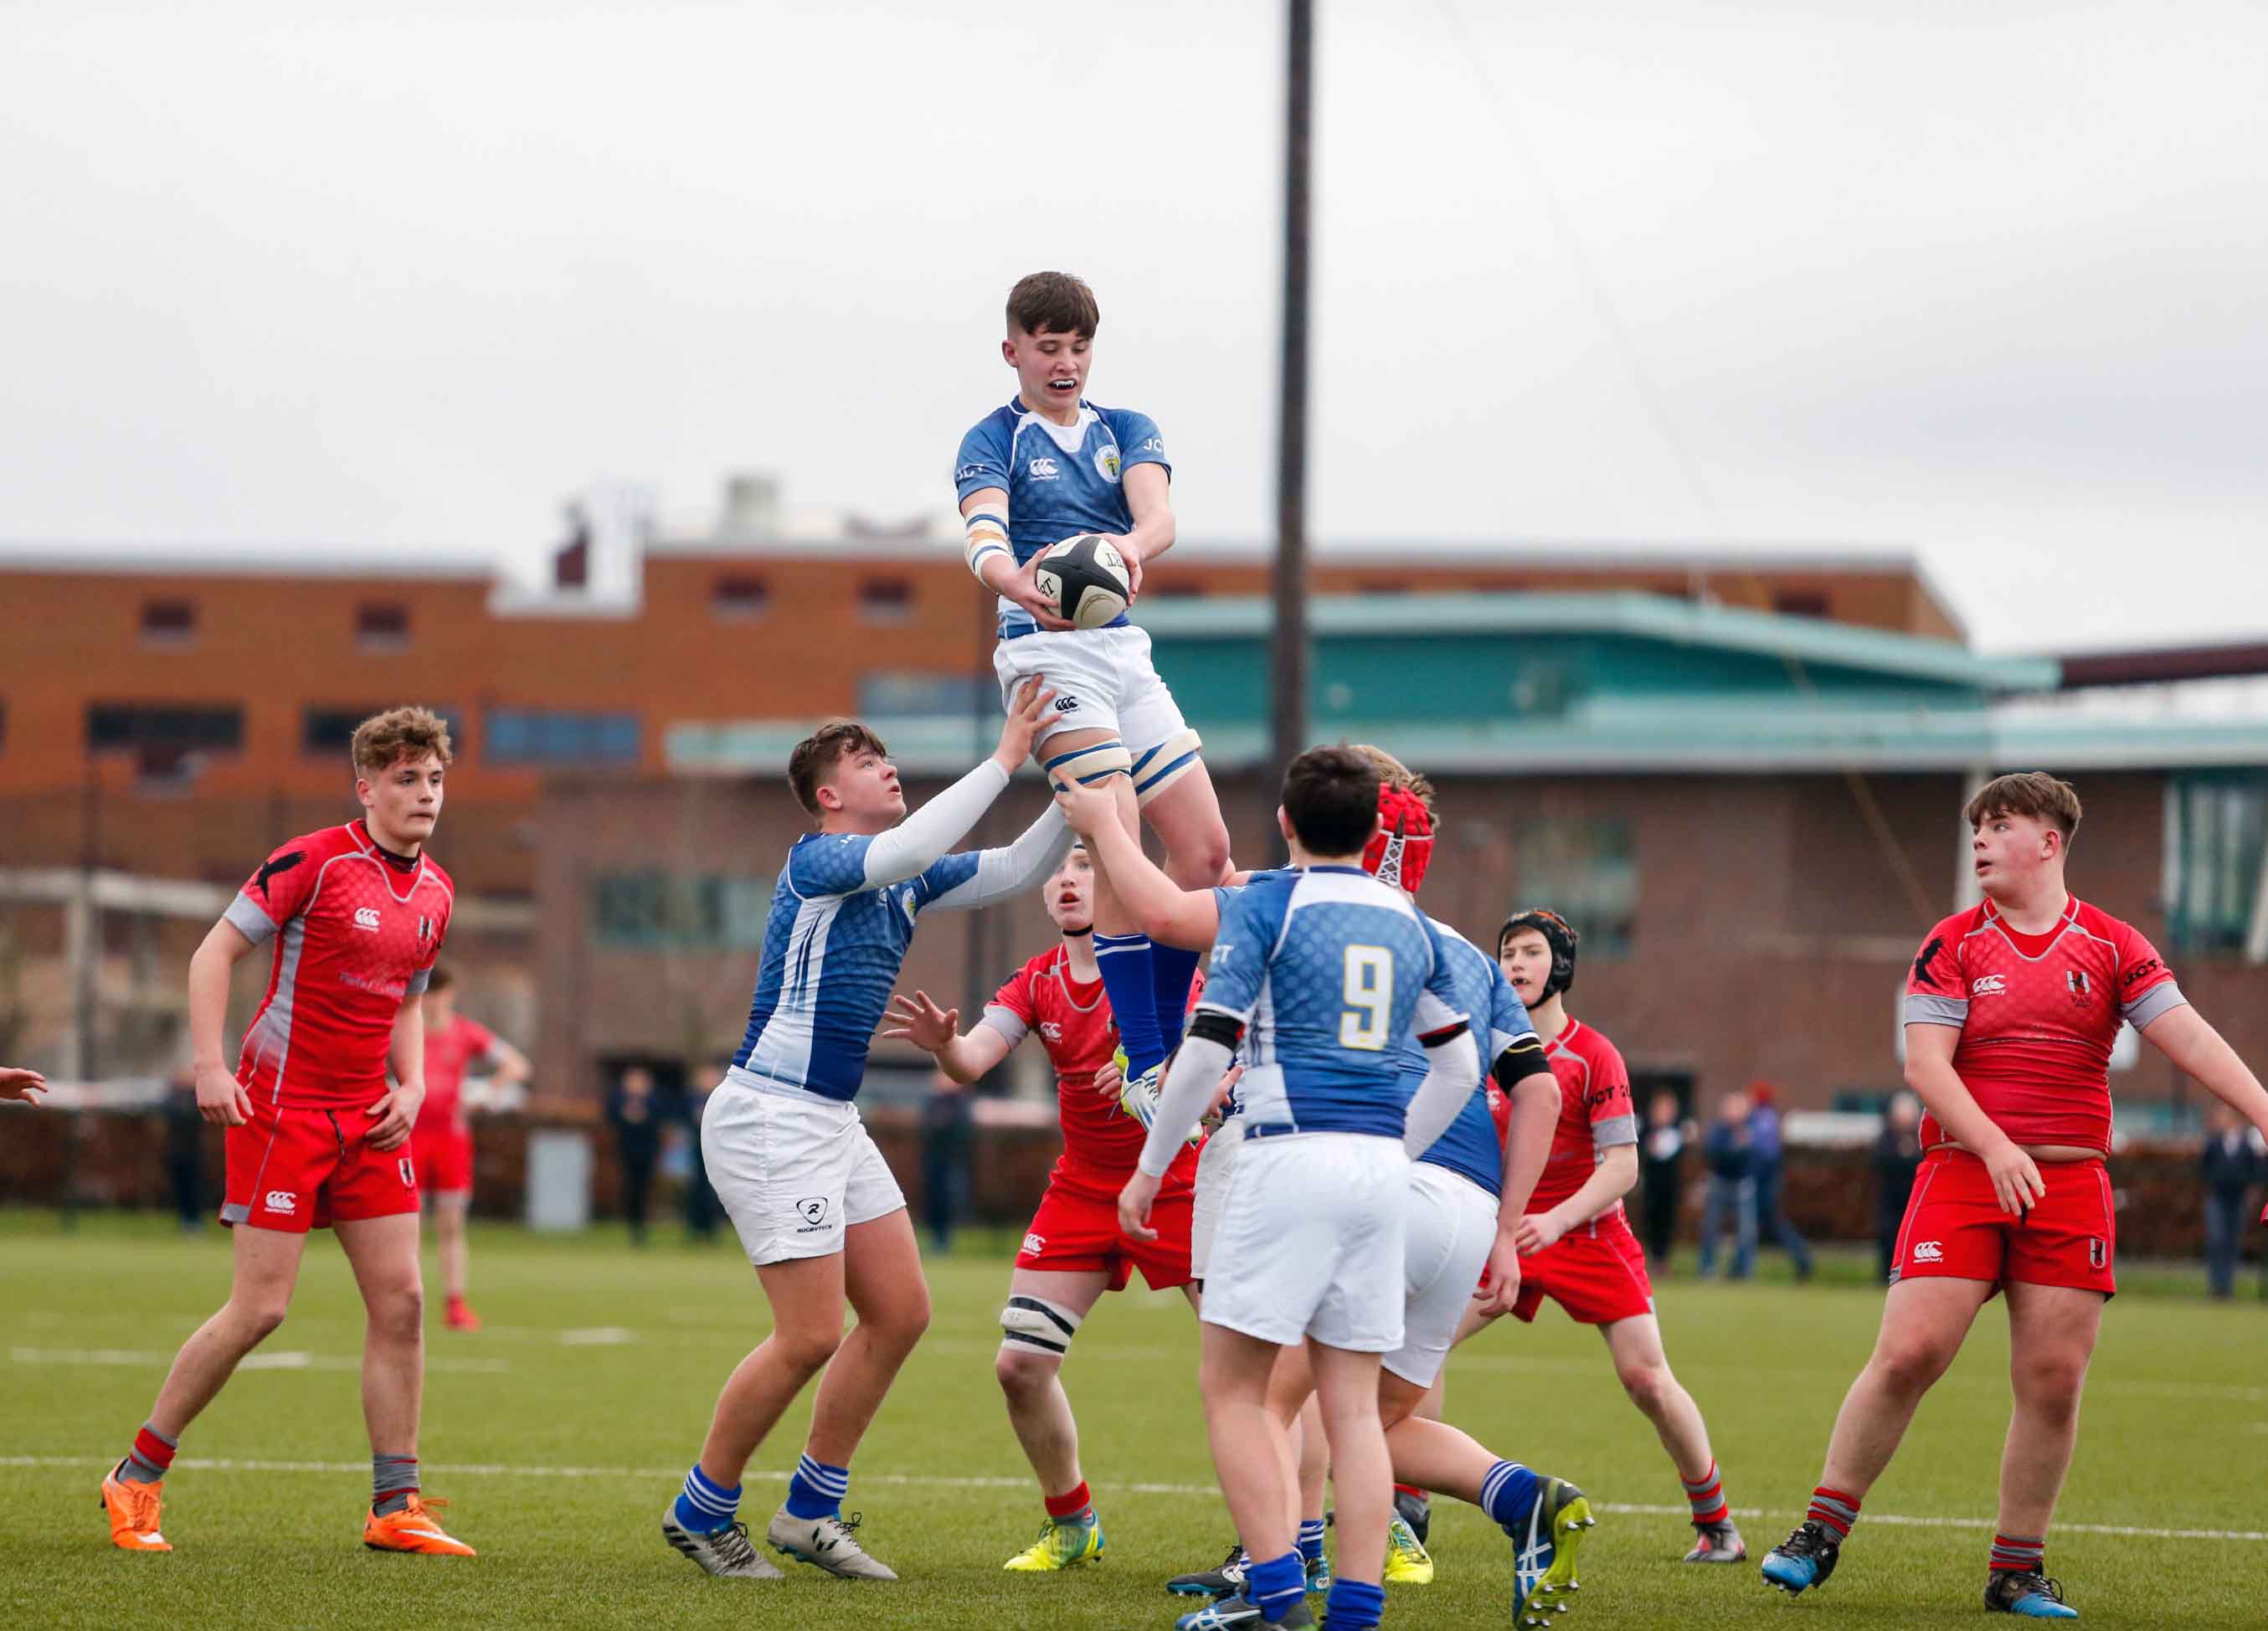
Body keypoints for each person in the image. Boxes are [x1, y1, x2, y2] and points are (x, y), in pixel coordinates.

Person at [1761, 772, 2268, 1619]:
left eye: (2000, 825)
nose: (1981, 839)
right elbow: (1925, 1066)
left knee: (2053, 1379)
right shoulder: (1953, 941)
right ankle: (1819, 1531)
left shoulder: (2112, 943)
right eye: (1978, 827)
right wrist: (1995, 1146)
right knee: (1911, 1350)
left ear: (2049, 841)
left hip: (2070, 1185)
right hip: (1964, 1170)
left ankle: (2015, 1571)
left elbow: (2187, 1035)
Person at [661, 685, 1069, 1584]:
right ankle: (700, 1510)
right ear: (828, 796)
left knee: (900, 1311)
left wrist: (1080, 783)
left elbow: (1015, 868)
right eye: (866, 760)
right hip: (771, 1116)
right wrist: (1008, 756)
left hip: (826, 1120)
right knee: (809, 1333)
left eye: (885, 756)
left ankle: (809, 1512)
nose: (887, 767)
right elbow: (914, 847)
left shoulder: (901, 875)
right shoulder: (822, 860)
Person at [1109, 746, 1481, 1631]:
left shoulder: (1268, 903)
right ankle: (1353, 1611)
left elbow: (1206, 1046)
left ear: (1284, 822)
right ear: (1374, 827)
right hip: (1378, 1174)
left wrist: (1150, 1167)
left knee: (1236, 1390)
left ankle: (1274, 1595)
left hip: (1286, 1156)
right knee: (1351, 1411)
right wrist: (1394, 1148)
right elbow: (1460, 1067)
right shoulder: (1412, 923)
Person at [100, 706, 474, 1557]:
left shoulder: (438, 892)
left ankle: (395, 1506)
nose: (425, 793)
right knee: (261, 1308)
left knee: (405, 1302)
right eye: (407, 778)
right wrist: (209, 1064)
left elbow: (409, 1001)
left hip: (368, 1119)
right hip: (281, 1112)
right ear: (366, 787)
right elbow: (212, 954)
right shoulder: (314, 860)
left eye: (435, 779)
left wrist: (414, 1085)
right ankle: (136, 1474)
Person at [882, 841, 1206, 1572]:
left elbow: (1200, 1052)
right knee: (1020, 1365)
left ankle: (1282, 1541)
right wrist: (943, 1046)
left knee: (1244, 1371)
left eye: (1085, 864)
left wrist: (1152, 1068)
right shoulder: (1037, 979)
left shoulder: (1158, 963)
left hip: (1178, 1184)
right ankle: (1072, 1523)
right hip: (1082, 1190)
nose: (1066, 879)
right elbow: (971, 1062)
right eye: (1057, 869)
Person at [954, 270, 1232, 1118]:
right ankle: (1145, 1062)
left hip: (1121, 649)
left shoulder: (1126, 428)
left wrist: (1126, 550)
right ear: (1012, 352)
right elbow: (983, 535)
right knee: (1116, 828)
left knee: (1205, 854)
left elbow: (1159, 518)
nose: (1065, 362)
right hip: (1046, 653)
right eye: (1048, 347)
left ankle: (1164, 1039)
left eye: (1078, 347)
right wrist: (1017, 579)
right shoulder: (992, 440)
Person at [1464, 908, 1746, 1565]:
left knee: (1646, 1378)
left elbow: (1622, 1167)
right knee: (1412, 1355)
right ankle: (1405, 1508)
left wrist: (1556, 1220)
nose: (1515, 964)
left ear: (1560, 965)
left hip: (1587, 1234)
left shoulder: (1593, 1055)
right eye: (1507, 953)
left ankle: (1716, 1525)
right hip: (1504, 1233)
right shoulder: (1479, 1050)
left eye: (1530, 952)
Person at [411, 965, 529, 1330]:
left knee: (450, 1225)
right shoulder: (405, 1029)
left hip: (451, 1139)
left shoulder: (465, 1033)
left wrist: (485, 1094)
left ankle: (454, 1303)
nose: (433, 1002)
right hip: (410, 1136)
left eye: (439, 994)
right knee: (408, 1227)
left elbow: (517, 1065)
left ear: (451, 995)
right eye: (427, 995)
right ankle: (407, 1301)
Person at [1746, 1083, 1814, 1279]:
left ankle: (1802, 1258)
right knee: (1758, 1224)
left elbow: (1766, 1154)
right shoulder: (1768, 1117)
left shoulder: (1762, 1119)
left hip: (1764, 1182)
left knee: (1769, 1223)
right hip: (1768, 1180)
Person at [2199, 1104, 2263, 1300]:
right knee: (2216, 1240)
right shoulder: (2213, 1143)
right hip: (2217, 1198)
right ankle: (2216, 1287)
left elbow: (2255, 1172)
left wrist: (2251, 1193)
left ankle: (2227, 1288)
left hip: (2238, 1200)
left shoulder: (2247, 1146)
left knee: (2232, 1243)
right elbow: (2203, 1168)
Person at [1696, 1090, 1757, 1280]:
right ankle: (1707, 1268)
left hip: (1742, 1185)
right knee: (1710, 1228)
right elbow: (1715, 1155)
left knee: (1746, 1231)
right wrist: (1735, 1149)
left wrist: (1738, 1150)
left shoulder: (1751, 1129)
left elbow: (1753, 1157)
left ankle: (1743, 1270)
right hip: (1719, 1183)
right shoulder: (1718, 1132)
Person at [918, 1066, 975, 1252]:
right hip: (934, 1161)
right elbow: (926, 1128)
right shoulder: (933, 1101)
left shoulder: (960, 1103)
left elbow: (963, 1131)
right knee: (934, 1199)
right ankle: (936, 1237)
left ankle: (945, 1239)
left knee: (950, 1198)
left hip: (952, 1161)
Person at [1871, 1091, 1925, 1284]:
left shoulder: (1921, 1137)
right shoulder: (1886, 1137)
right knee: (1888, 1236)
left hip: (1915, 1199)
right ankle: (1885, 1276)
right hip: (1890, 1200)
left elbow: (1922, 1163)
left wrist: (1906, 1158)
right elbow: (1879, 1163)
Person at [609, 1066, 664, 1247]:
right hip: (627, 1150)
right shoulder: (619, 1100)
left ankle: (642, 1225)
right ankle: (632, 1224)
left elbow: (661, 1117)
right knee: (630, 1188)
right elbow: (610, 1116)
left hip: (647, 1151)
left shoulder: (654, 1101)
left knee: (644, 1188)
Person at [1637, 1089, 1690, 1267]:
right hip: (1652, 1183)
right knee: (1651, 1218)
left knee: (1667, 1219)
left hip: (1670, 1184)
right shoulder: (1646, 1130)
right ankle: (1653, 1256)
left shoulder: (1679, 1131)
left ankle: (1663, 1257)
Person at [163, 1071, 205, 1232]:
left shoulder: (197, 1099)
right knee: (180, 1188)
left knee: (194, 1188)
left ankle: (195, 1221)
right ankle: (185, 1220)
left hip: (193, 1153)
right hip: (176, 1152)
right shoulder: (172, 1100)